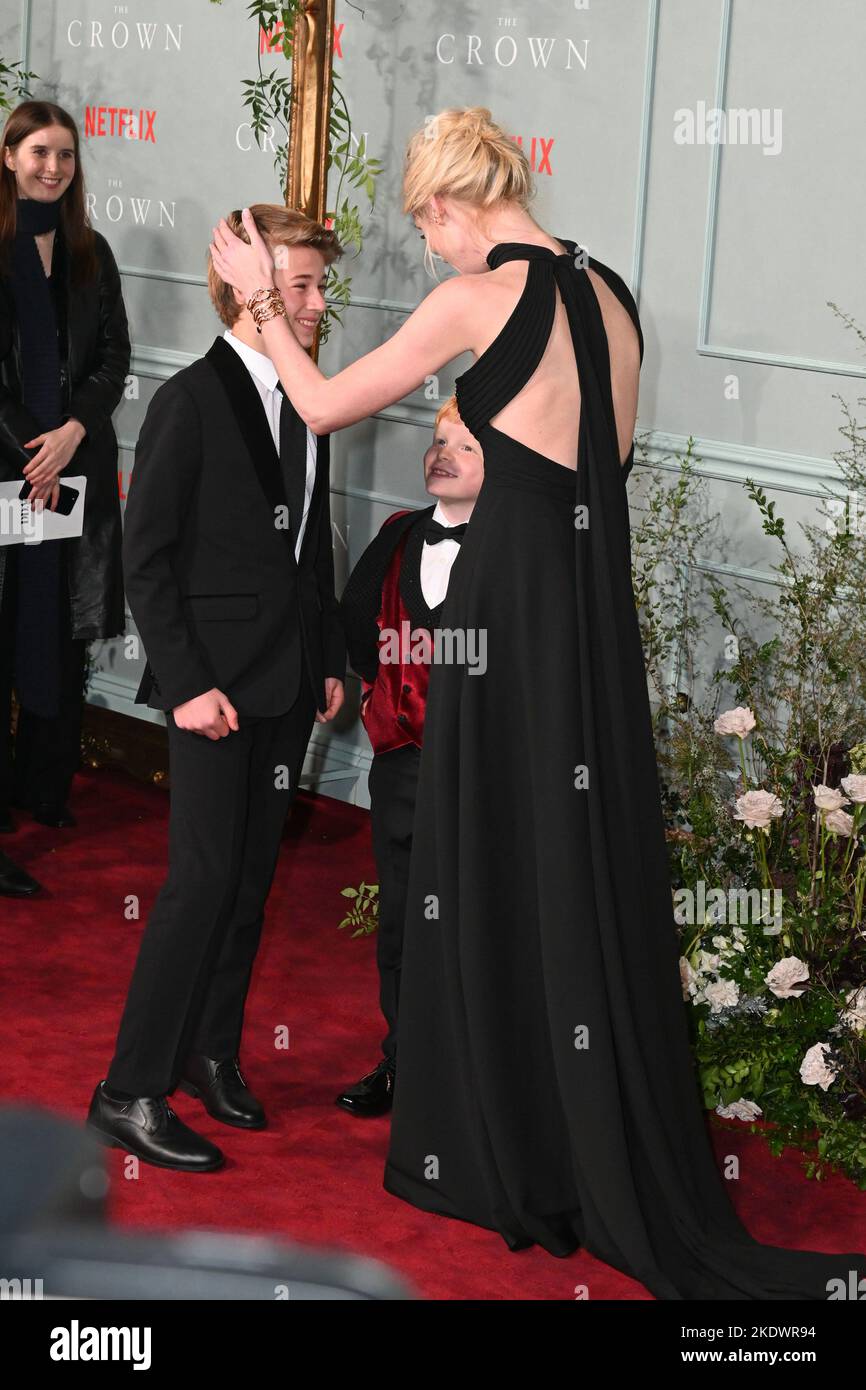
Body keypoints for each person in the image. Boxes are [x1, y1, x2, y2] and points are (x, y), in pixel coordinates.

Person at [209, 108, 866, 1297]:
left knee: (485, 865)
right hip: (583, 626)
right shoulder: (611, 297)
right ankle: (569, 1128)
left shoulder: (478, 299)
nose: (430, 251)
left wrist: (259, 297)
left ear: (453, 205)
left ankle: (499, 1140)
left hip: (505, 623)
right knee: (565, 865)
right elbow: (596, 469)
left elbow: (318, 404)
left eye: (423, 226)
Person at [87, 205, 346, 1173]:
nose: (321, 302)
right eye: (305, 284)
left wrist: (326, 654)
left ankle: (209, 1051)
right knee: (198, 881)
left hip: (284, 683)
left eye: (322, 284)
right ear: (253, 287)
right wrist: (187, 685)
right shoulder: (189, 400)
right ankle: (127, 1089)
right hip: (210, 691)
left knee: (246, 882)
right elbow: (145, 560)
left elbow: (309, 543)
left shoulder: (310, 401)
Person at [336, 396, 483, 1116]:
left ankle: (470, 1078)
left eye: (464, 446)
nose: (441, 454)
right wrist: (377, 695)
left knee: (469, 924)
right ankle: (402, 1063)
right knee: (401, 922)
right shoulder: (397, 535)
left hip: (481, 778)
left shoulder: (515, 552)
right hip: (400, 769)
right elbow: (357, 629)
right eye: (437, 440)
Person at [0, 100, 129, 897]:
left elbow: (115, 355)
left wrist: (74, 431)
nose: (54, 167)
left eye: (66, 156)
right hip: (8, 474)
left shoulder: (90, 250)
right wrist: (32, 451)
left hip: (72, 470)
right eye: (40, 153)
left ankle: (42, 789)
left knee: (59, 628)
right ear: (9, 156)